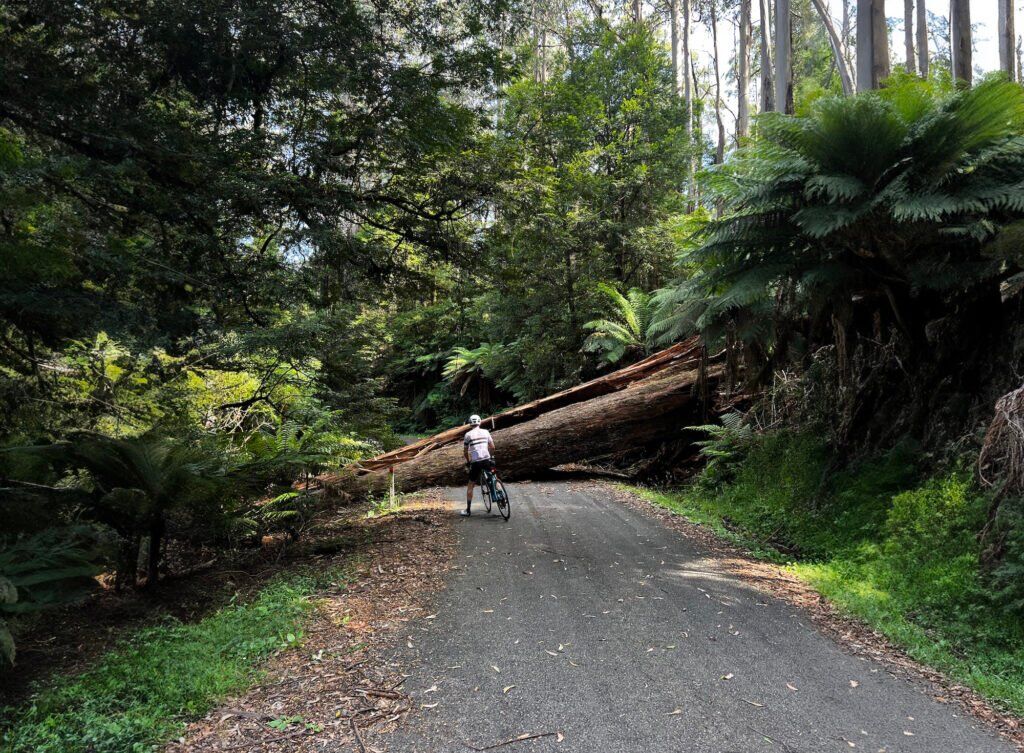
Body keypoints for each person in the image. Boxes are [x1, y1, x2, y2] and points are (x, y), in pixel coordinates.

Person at [462, 414, 495, 516]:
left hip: (476, 462)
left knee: (470, 485)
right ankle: (500, 497)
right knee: (494, 478)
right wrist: (491, 457)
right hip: (486, 460)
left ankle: (468, 510)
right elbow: (492, 447)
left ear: (470, 424)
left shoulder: (468, 435)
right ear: (480, 422)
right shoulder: (486, 432)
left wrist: (468, 461)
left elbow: (465, 451)